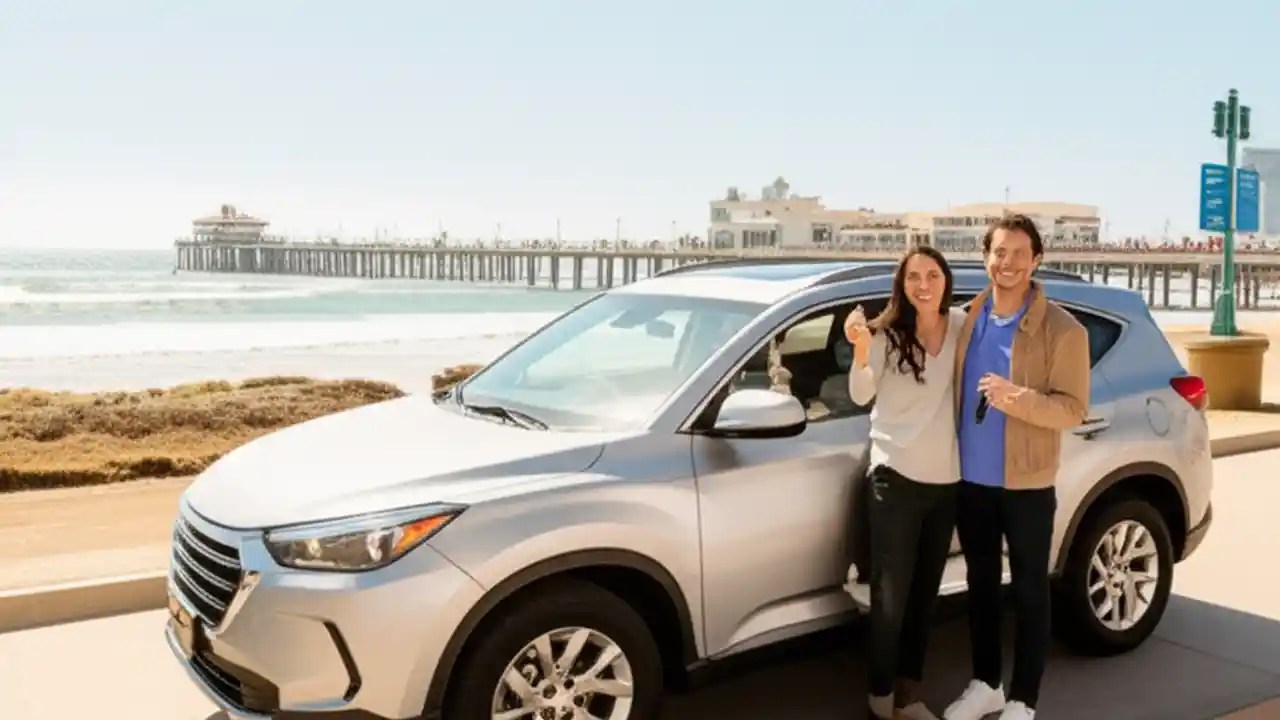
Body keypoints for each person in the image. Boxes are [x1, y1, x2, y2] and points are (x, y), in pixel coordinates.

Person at [943, 214, 1090, 720]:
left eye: (1018, 254)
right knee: (980, 586)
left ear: (1036, 261)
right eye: (998, 253)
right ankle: (986, 683)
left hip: (1027, 484)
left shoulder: (1063, 330)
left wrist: (1018, 399)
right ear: (986, 257)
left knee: (1030, 591)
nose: (1006, 264)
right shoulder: (966, 320)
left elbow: (1073, 408)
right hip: (971, 481)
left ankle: (1024, 700)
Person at [845, 245, 967, 720]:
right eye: (914, 276)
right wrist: (859, 352)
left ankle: (909, 696)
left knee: (923, 598)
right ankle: (879, 699)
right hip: (894, 478)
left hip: (946, 483)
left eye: (932, 275)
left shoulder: (961, 326)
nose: (924, 284)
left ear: (945, 280)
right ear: (902, 283)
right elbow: (861, 393)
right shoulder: (885, 335)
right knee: (890, 599)